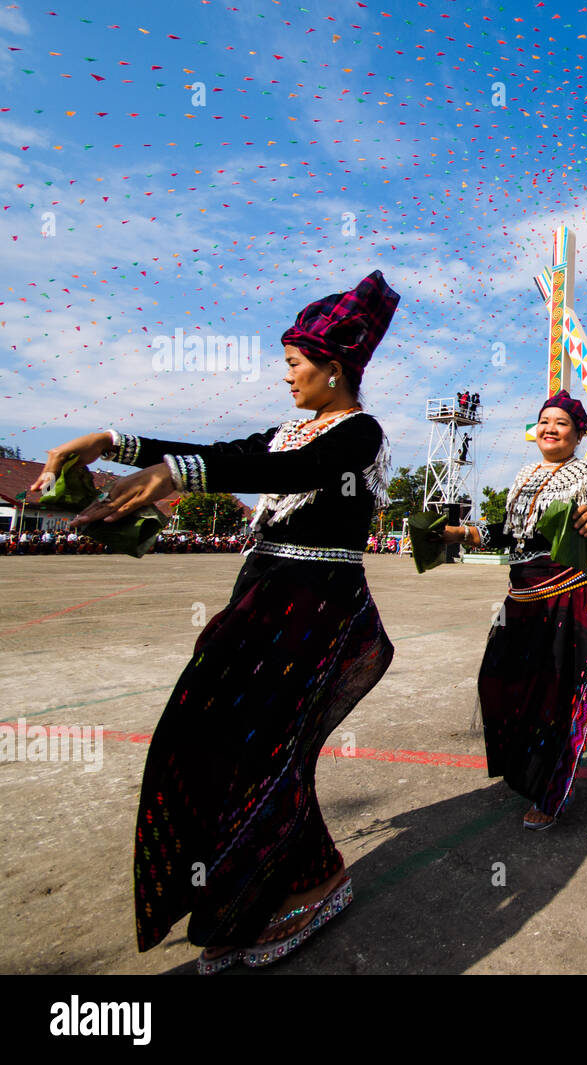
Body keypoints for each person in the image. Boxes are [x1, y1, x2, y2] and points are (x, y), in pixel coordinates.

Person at [29, 270, 400, 973]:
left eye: (294, 365)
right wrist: (112, 440)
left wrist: (177, 475)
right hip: (260, 598)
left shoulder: (360, 434)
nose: (286, 378)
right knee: (196, 734)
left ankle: (313, 878)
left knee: (266, 753)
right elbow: (237, 453)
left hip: (318, 608)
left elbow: (290, 473)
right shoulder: (291, 428)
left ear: (334, 367)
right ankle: (245, 887)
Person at [441, 390, 587, 831]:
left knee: (554, 694)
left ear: (578, 433)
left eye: (561, 422)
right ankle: (526, 768)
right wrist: (462, 531)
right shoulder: (523, 476)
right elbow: (508, 535)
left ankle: (551, 787)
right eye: (544, 420)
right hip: (519, 599)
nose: (549, 428)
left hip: (567, 592)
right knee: (498, 681)